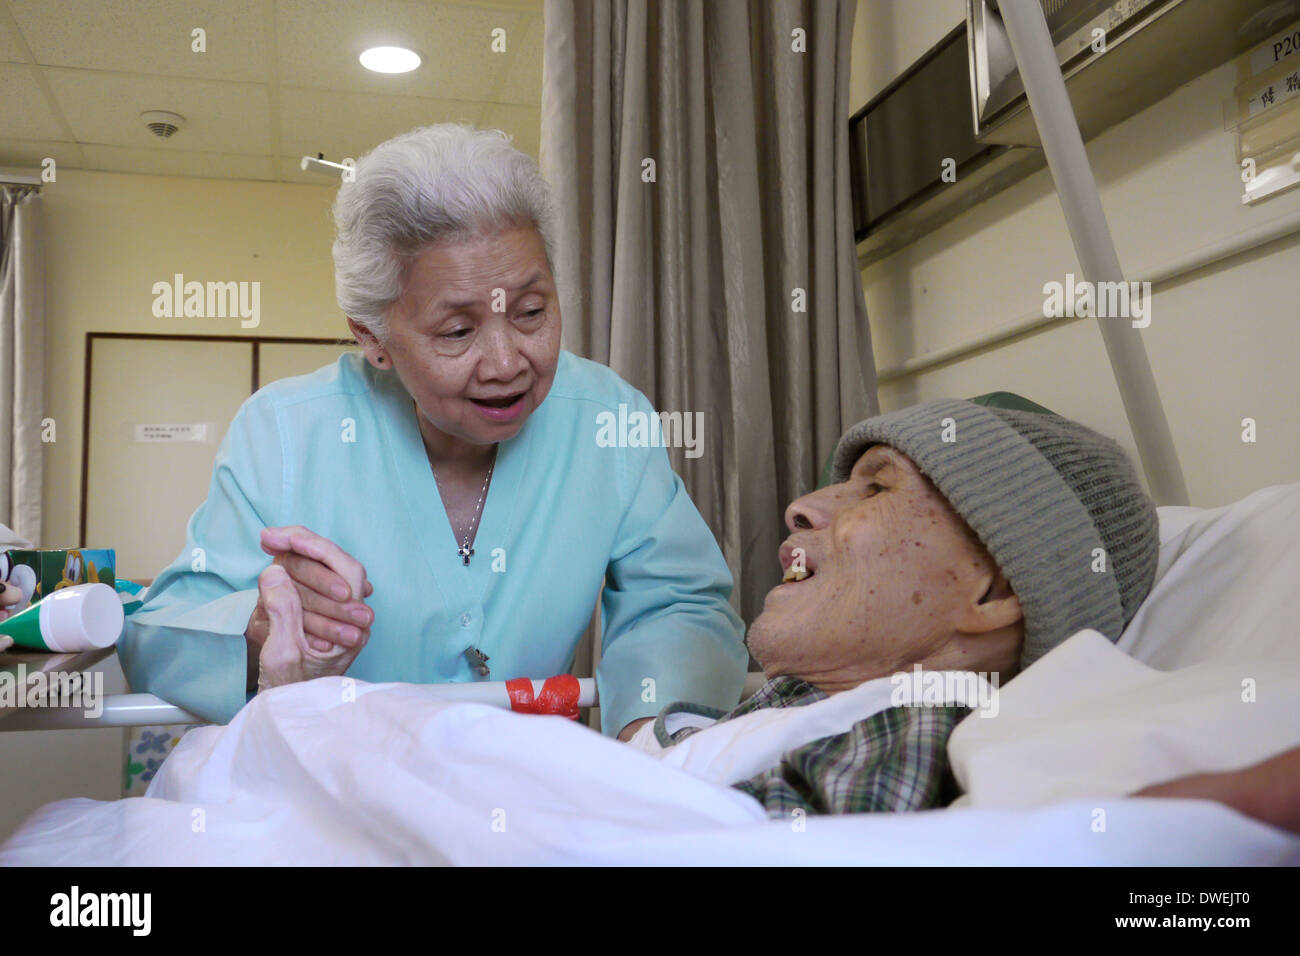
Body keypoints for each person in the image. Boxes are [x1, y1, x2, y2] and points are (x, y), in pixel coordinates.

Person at [118, 124, 748, 738]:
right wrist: (256, 631)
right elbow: (159, 636)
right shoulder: (283, 433)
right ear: (374, 337)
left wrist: (652, 734)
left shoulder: (609, 420)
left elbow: (681, 603)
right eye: (457, 331)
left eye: (531, 313)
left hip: (519, 803)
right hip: (339, 806)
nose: (507, 364)